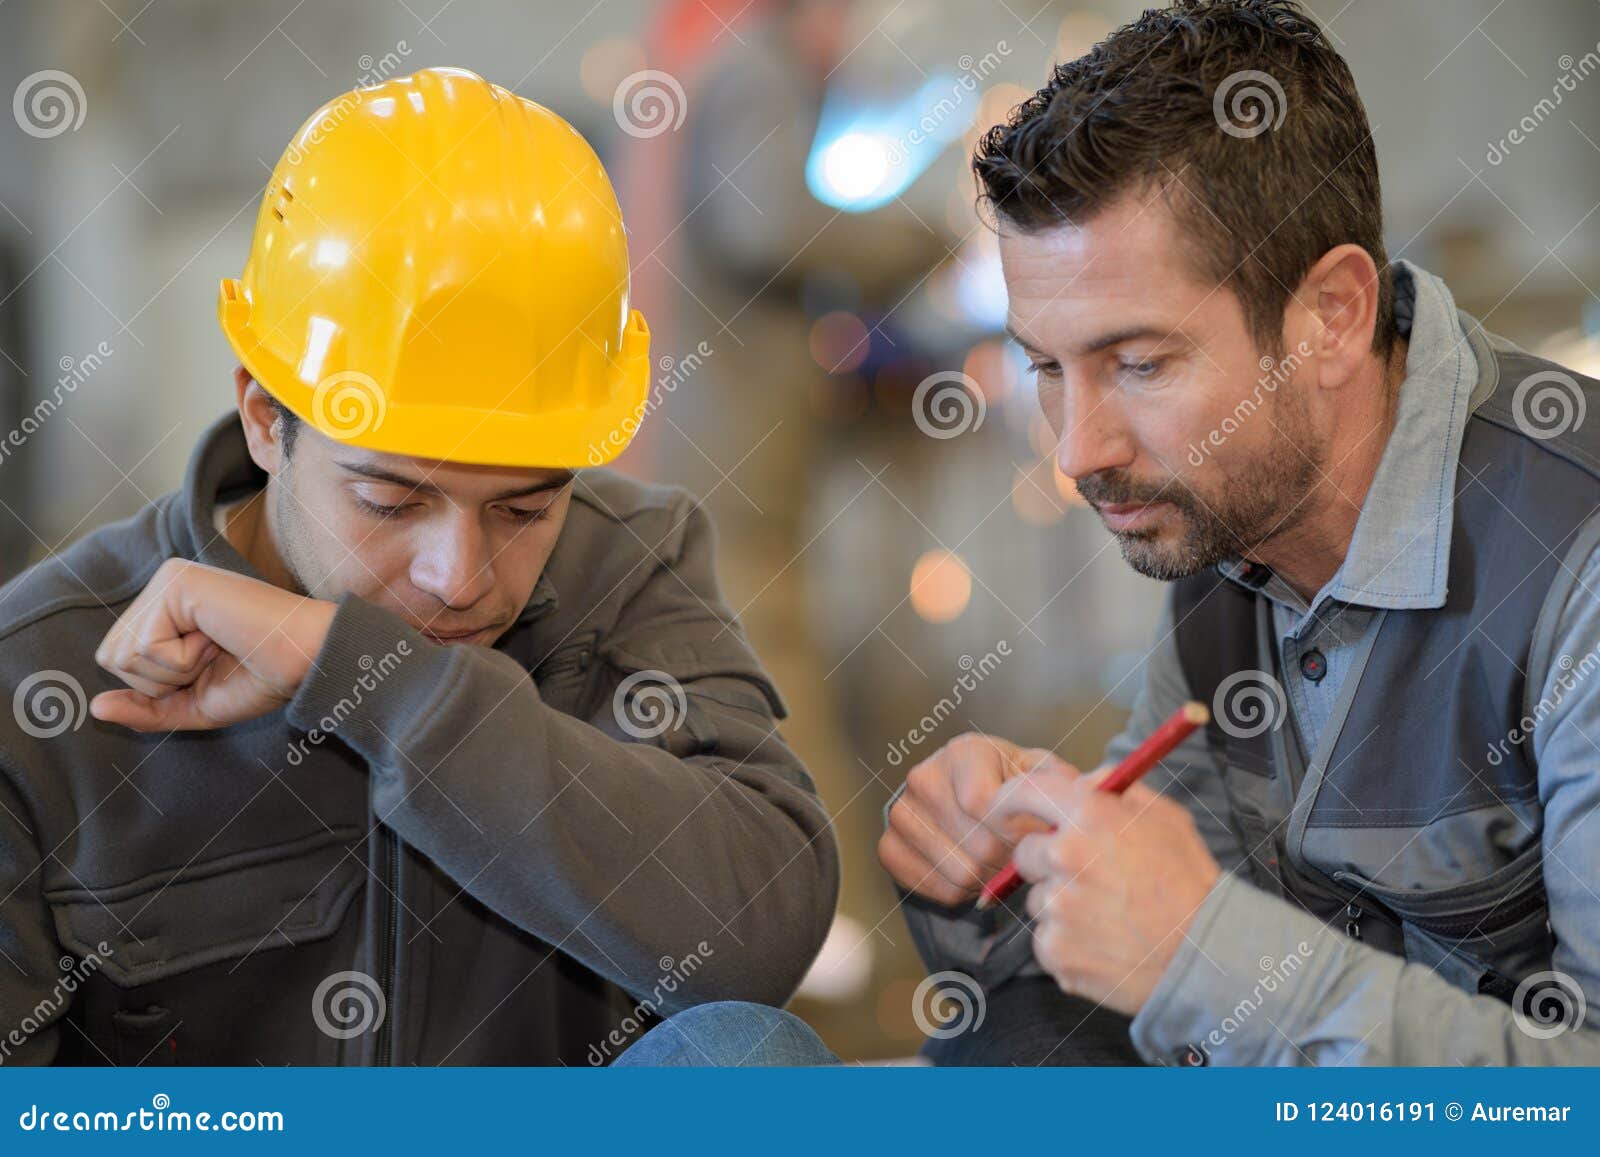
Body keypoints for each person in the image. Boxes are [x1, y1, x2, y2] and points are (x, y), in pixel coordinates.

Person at [0, 67, 837, 1066]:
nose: (459, 575)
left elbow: (760, 935)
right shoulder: (42, 678)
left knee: (743, 1061)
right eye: (391, 503)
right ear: (267, 418)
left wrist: (371, 679)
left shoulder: (621, 569)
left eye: (525, 506)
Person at [881, 0, 1600, 1065]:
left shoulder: (1570, 567)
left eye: (1140, 363)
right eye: (1046, 366)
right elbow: (1121, 976)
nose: (1076, 449)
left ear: (1332, 314)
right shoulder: (1229, 509)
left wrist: (1202, 953)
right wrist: (1004, 865)